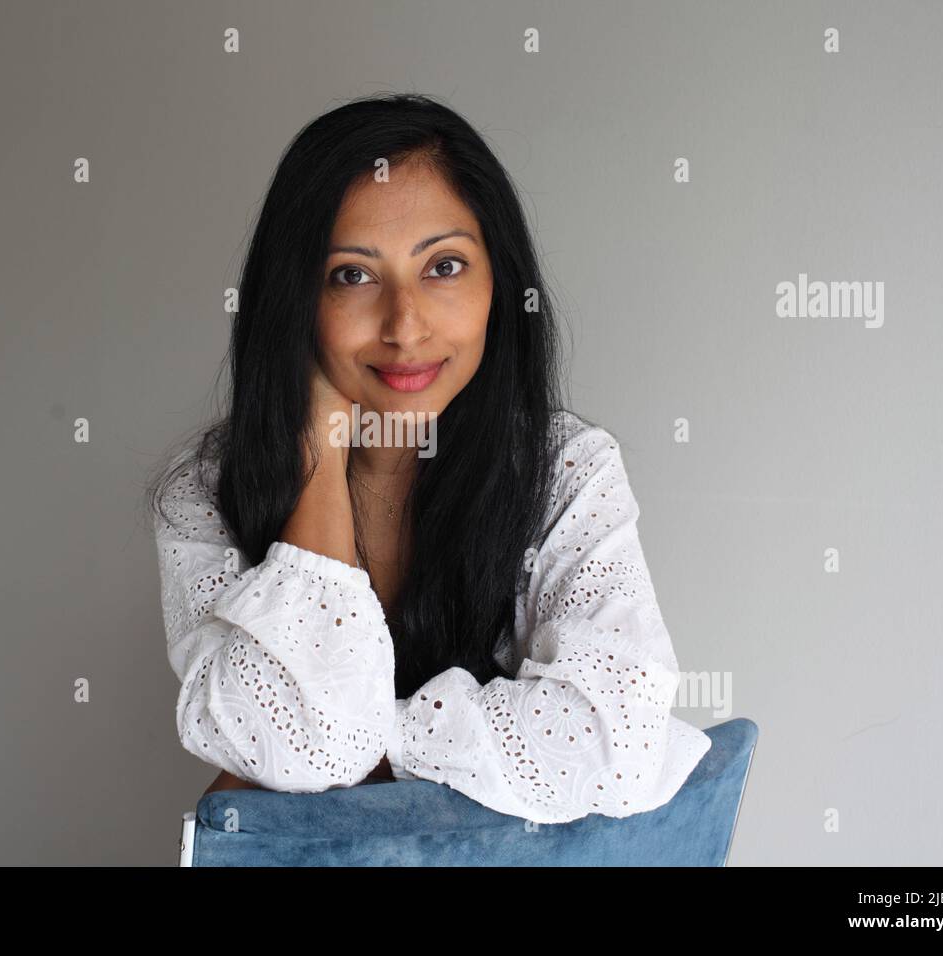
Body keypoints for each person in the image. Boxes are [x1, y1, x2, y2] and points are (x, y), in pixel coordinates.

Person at [144, 93, 711, 825]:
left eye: (443, 266)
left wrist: (371, 740)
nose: (405, 326)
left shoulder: (564, 467)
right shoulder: (206, 488)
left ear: (496, 286)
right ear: (294, 300)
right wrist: (316, 455)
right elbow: (303, 748)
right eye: (352, 275)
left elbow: (615, 741)